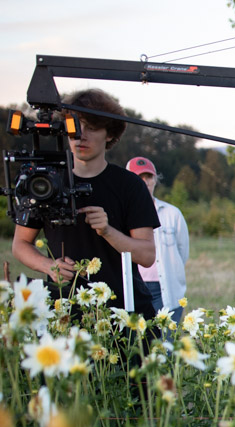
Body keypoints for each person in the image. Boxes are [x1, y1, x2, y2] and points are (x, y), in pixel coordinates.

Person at [10, 88, 157, 317]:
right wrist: (48, 266)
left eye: (92, 127)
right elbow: (20, 244)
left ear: (109, 134)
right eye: (75, 126)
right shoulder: (44, 182)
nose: (81, 135)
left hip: (123, 313)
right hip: (64, 311)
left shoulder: (130, 185)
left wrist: (108, 231)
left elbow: (147, 256)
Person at [127, 156, 190, 324]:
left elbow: (183, 251)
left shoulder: (172, 213)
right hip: (135, 286)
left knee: (166, 344)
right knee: (141, 345)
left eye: (148, 177)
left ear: (155, 180)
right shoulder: (122, 216)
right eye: (139, 177)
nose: (145, 181)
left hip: (166, 288)